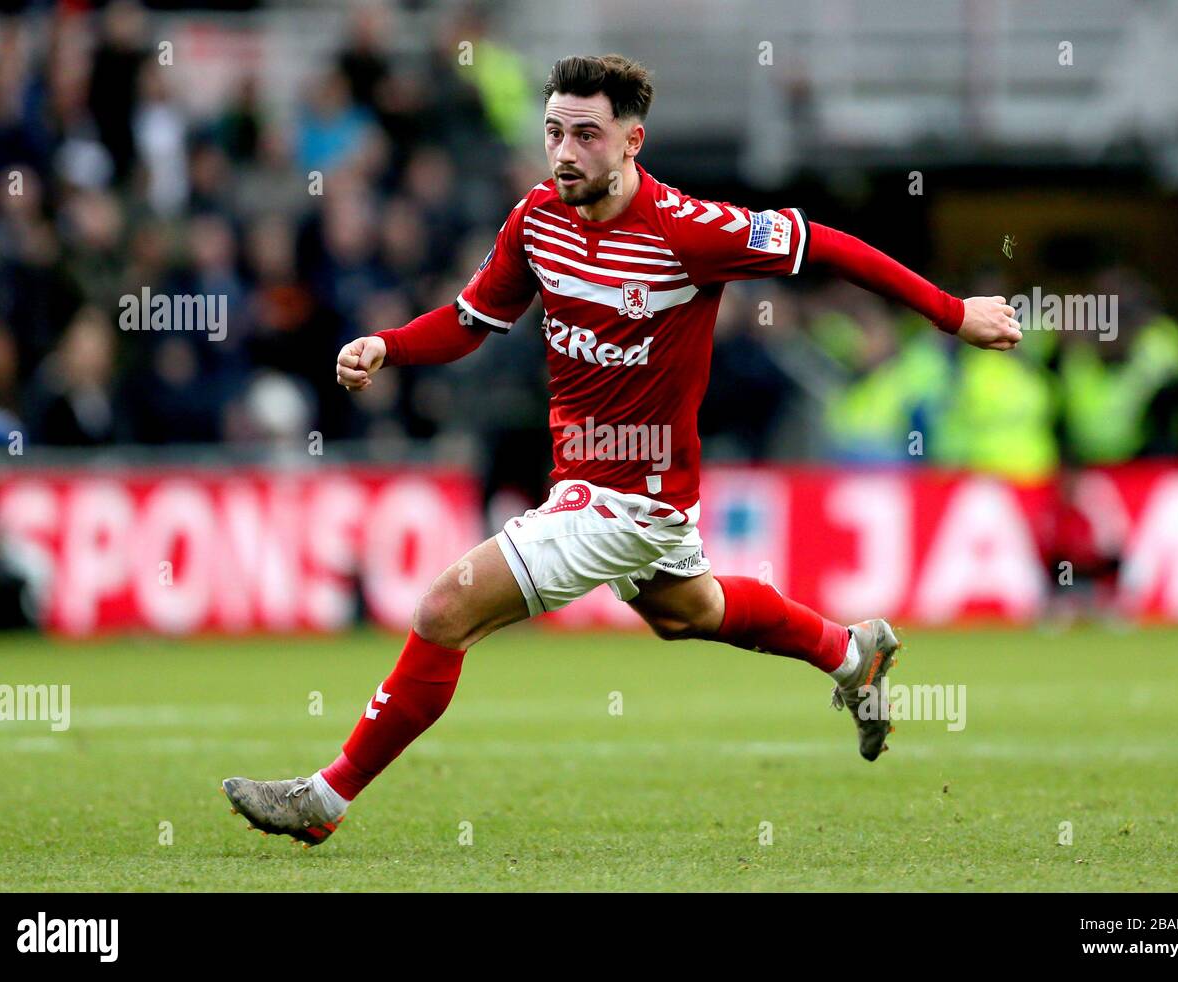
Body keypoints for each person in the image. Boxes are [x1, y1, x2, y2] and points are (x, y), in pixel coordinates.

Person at [223, 54, 1021, 846]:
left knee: (445, 607)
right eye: (553, 133)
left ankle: (325, 798)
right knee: (690, 611)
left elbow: (829, 246)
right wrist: (388, 347)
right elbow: (471, 321)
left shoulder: (689, 230)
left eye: (587, 136)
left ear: (633, 140)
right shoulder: (537, 218)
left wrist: (953, 314)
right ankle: (853, 655)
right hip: (601, 484)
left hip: (630, 499)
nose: (566, 152)